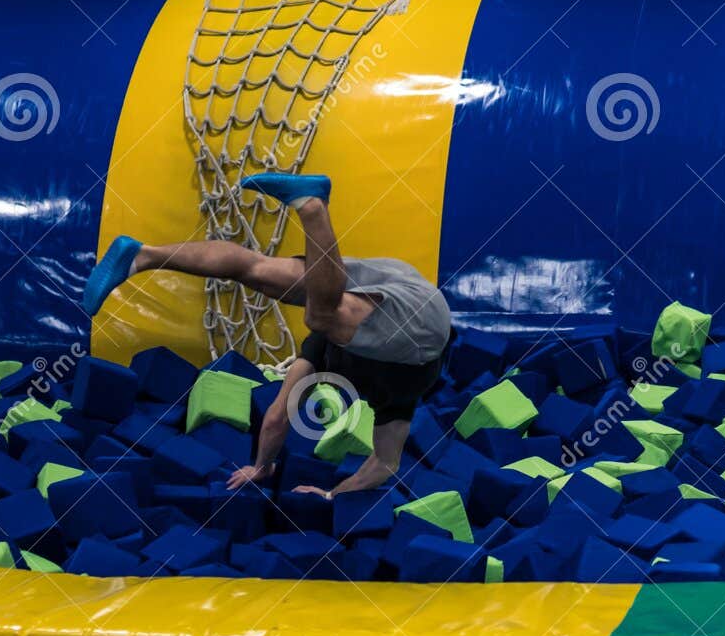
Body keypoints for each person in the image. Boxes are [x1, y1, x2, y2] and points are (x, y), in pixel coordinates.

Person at [81, 172, 451, 499]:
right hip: (427, 325)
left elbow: (279, 414)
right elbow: (385, 462)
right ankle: (312, 206)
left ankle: (144, 255)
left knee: (256, 269)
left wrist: (265, 467)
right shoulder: (399, 394)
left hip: (394, 277)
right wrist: (328, 494)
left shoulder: (325, 354)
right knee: (322, 314)